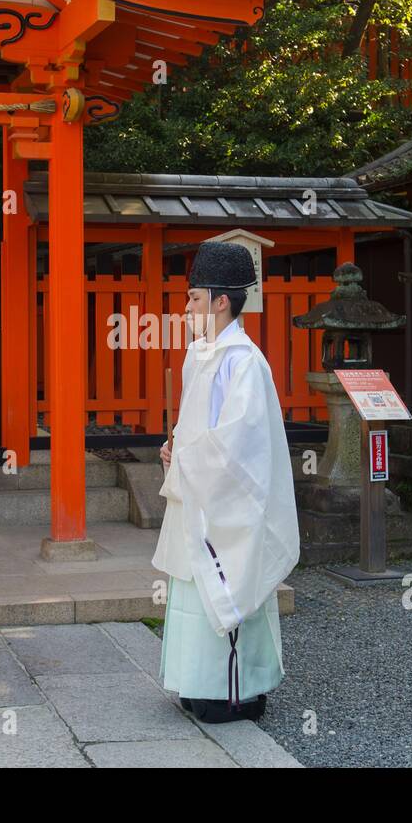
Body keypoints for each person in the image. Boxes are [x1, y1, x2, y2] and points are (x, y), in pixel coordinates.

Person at [154, 241, 300, 723]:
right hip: (199, 494)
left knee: (227, 589)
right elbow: (196, 425)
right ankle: (199, 682)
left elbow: (242, 444)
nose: (187, 306)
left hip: (225, 504)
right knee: (193, 594)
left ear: (221, 301)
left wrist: (190, 457)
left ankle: (239, 690)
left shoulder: (245, 361)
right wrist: (175, 448)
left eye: (194, 297)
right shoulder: (202, 354)